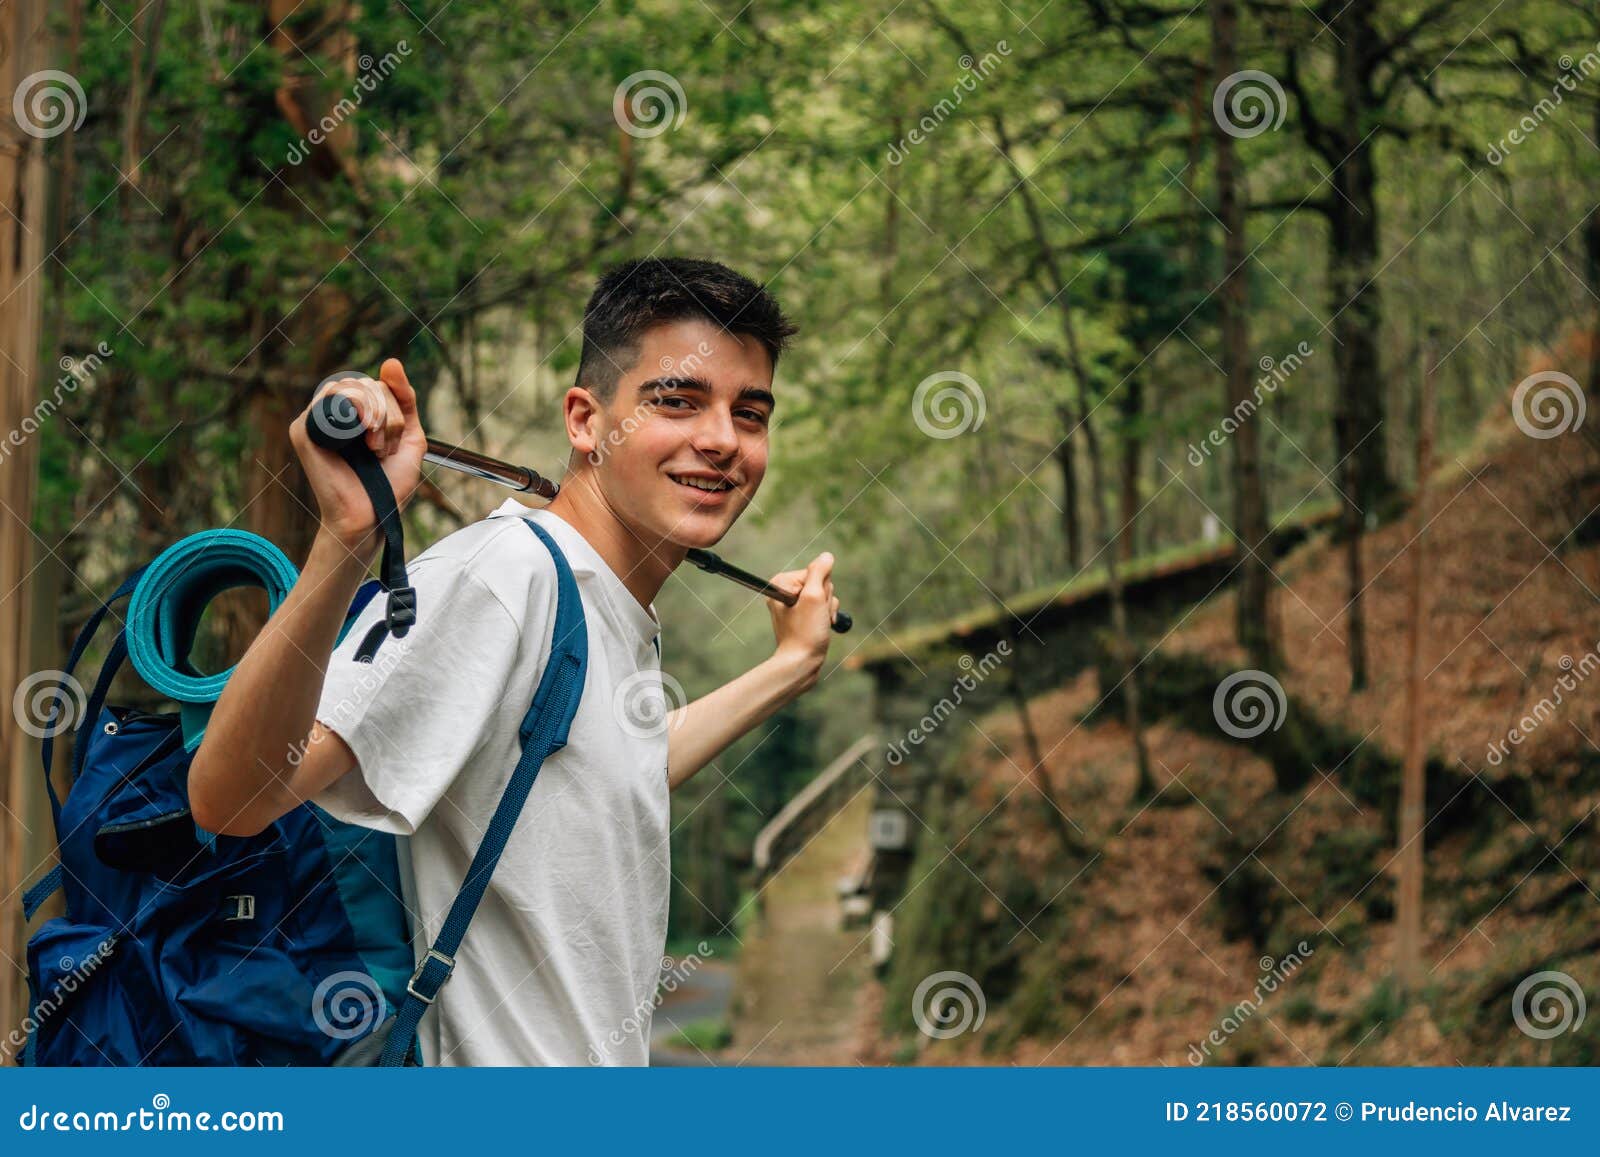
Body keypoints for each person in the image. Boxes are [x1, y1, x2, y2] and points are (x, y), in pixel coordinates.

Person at [188, 256, 838, 1065]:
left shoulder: (603, 604)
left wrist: (787, 668)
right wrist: (346, 539)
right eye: (677, 400)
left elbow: (614, 771)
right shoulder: (507, 577)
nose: (721, 439)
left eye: (750, 413)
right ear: (585, 420)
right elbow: (234, 796)